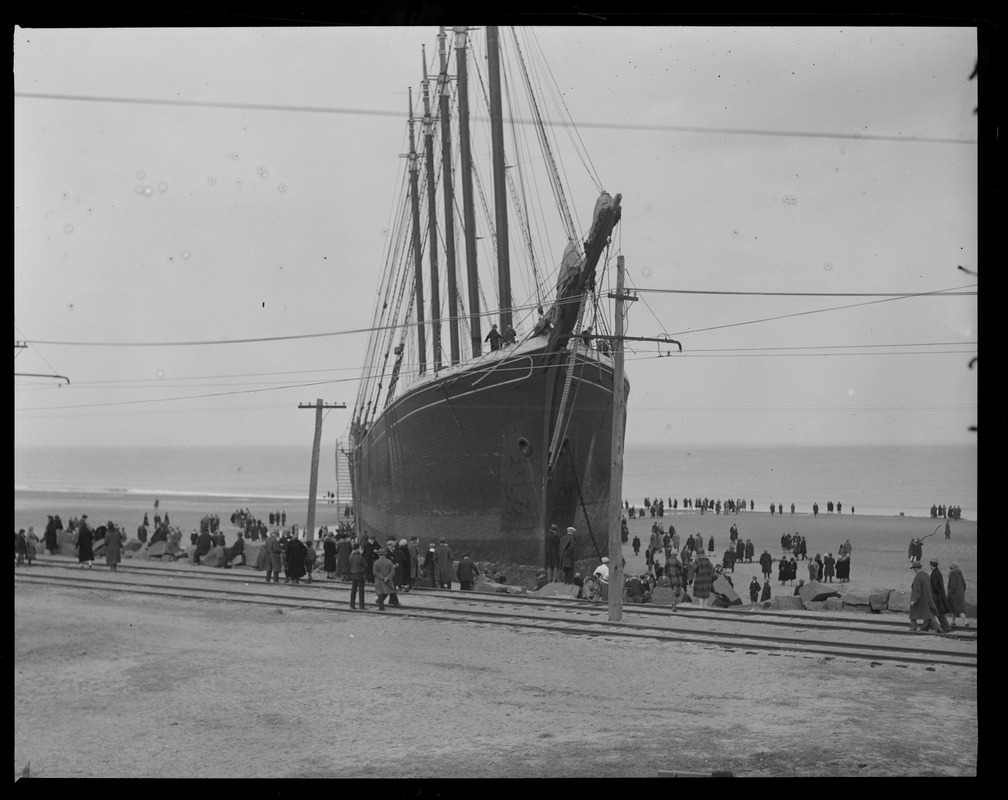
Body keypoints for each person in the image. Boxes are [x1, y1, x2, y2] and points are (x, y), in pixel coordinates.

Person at [908, 560, 942, 633]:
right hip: (927, 598)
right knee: (929, 614)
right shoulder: (926, 575)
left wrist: (914, 600)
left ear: (916, 568)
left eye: (913, 569)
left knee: (913, 614)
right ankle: (937, 628)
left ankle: (913, 627)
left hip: (920, 599)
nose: (913, 570)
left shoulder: (918, 577)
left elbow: (917, 589)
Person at [928, 559, 952, 632]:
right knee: (934, 612)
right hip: (939, 596)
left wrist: (935, 593)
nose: (930, 567)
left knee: (938, 612)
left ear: (932, 566)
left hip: (936, 597)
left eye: (930, 565)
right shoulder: (938, 572)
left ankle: (946, 627)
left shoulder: (934, 574)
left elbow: (934, 586)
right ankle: (925, 626)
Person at [946, 562, 968, 628]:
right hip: (960, 594)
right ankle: (953, 622)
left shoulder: (952, 574)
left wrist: (949, 594)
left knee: (958, 609)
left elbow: (953, 586)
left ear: (952, 568)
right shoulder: (960, 573)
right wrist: (961, 592)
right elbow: (964, 585)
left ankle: (966, 622)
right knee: (956, 608)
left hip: (954, 595)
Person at [349, 543, 367, 610]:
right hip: (360, 574)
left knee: (353, 590)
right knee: (361, 590)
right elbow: (366, 564)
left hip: (353, 574)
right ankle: (361, 605)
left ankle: (352, 604)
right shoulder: (360, 557)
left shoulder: (350, 556)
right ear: (357, 549)